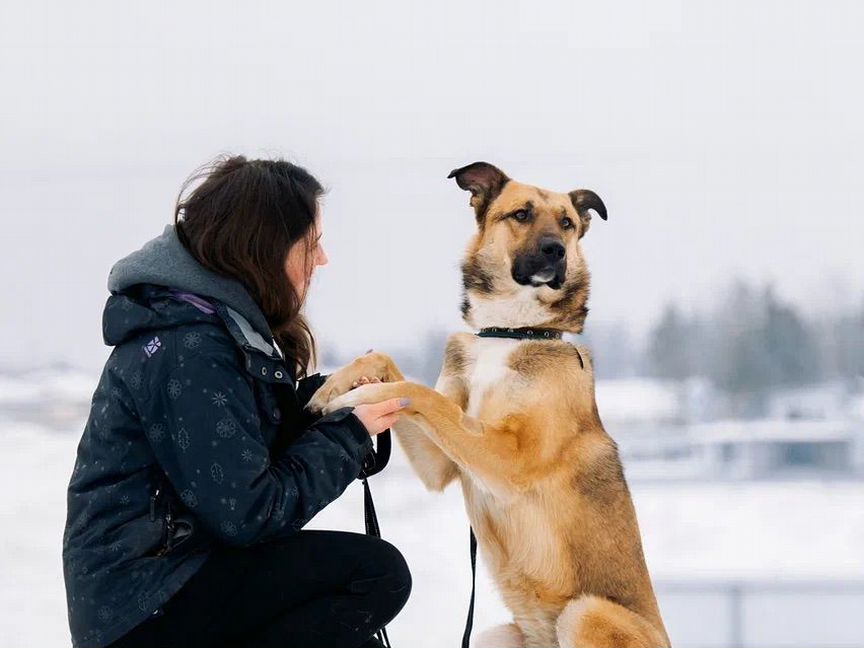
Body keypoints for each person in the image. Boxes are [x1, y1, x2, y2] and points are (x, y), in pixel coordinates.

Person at [62, 156, 412, 648]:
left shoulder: (211, 327)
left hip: (173, 579)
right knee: (374, 574)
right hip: (143, 602)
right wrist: (348, 435)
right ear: (267, 247)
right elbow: (247, 512)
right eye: (311, 243)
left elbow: (238, 444)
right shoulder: (188, 349)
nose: (322, 259)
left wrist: (332, 400)